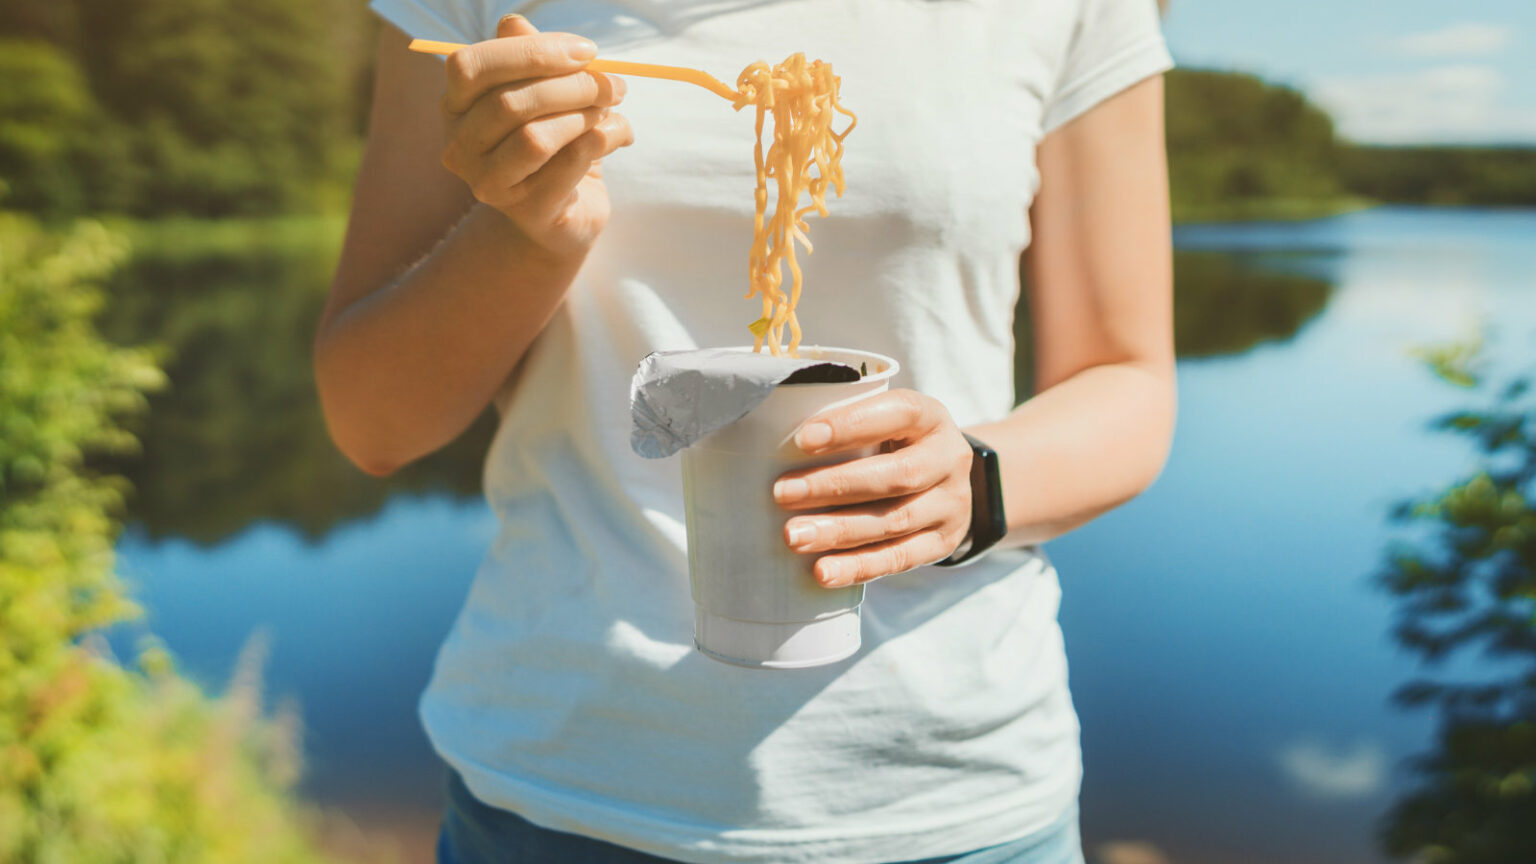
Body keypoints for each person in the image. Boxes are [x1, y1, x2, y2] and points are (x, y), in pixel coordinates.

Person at [314, 0, 1176, 861]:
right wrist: (524, 233)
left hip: (948, 787)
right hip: (564, 783)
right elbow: (374, 421)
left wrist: (974, 484)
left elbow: (1127, 381)